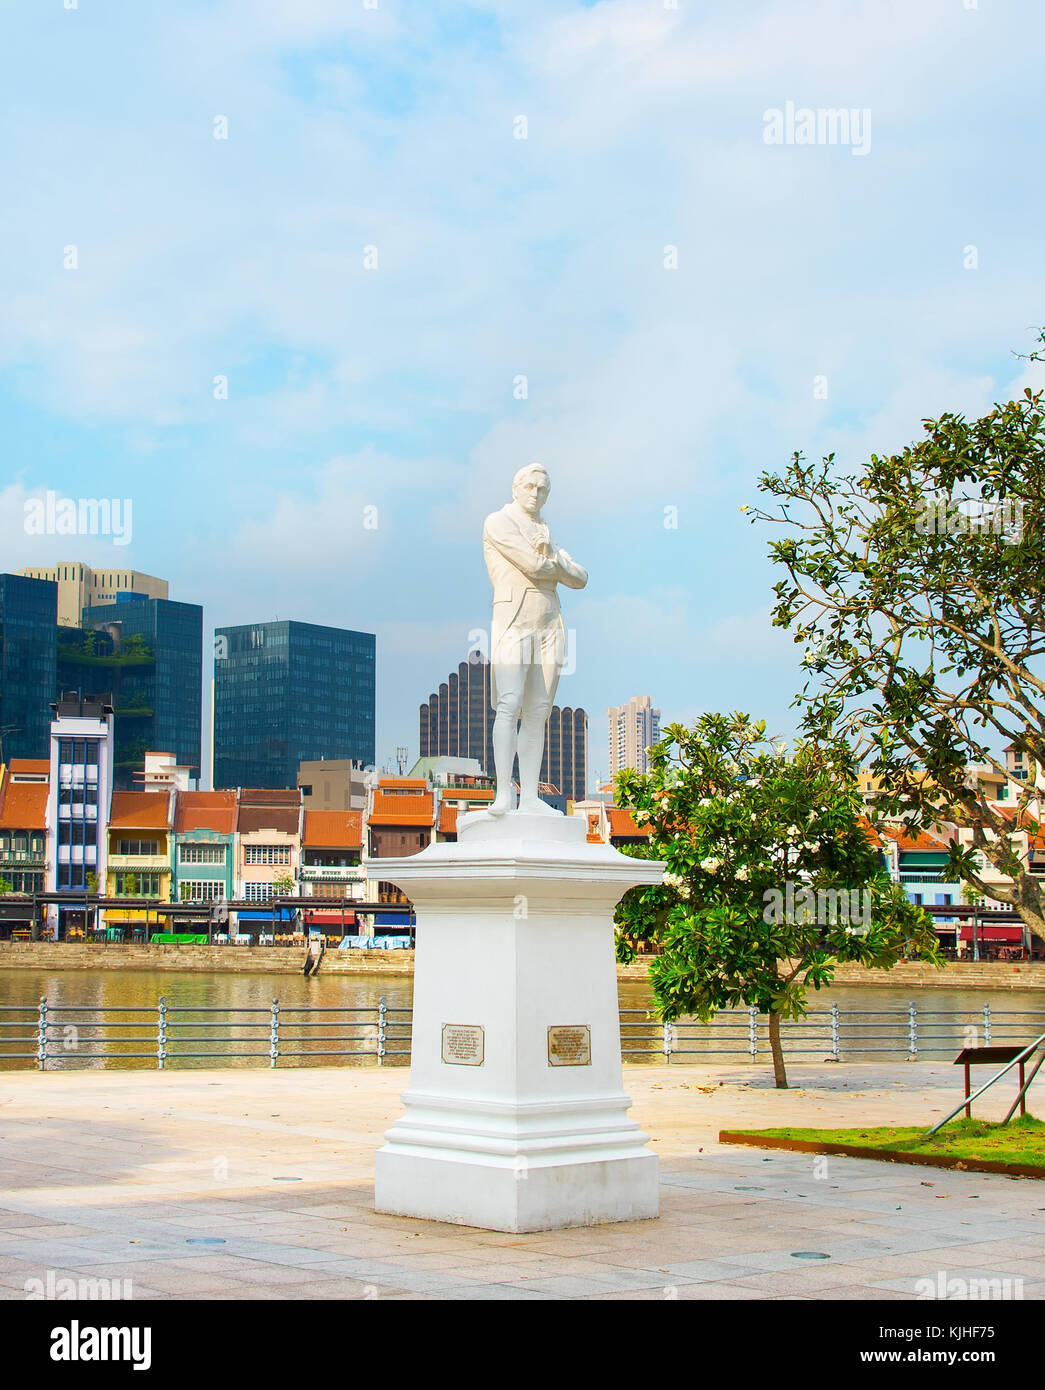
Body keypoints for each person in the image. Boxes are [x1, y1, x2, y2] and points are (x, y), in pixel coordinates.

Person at [482, 464, 587, 815]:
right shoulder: (499, 521)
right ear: (516, 488)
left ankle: (529, 796)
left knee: (539, 711)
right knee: (510, 704)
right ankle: (503, 794)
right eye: (529, 487)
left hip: (549, 620)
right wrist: (554, 561)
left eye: (542, 489)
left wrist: (553, 556)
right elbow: (534, 566)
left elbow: (581, 578)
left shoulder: (545, 531)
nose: (535, 494)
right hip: (515, 616)